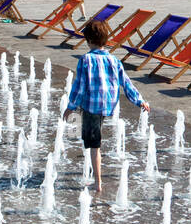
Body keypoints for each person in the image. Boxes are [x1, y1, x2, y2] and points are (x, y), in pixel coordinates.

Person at [63, 19, 150, 196]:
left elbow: (79, 86)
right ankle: (94, 172)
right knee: (90, 139)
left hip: (92, 106)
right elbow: (126, 83)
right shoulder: (114, 60)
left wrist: (70, 107)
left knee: (94, 145)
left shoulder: (86, 59)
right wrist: (140, 100)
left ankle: (98, 184)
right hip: (107, 104)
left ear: (88, 40)